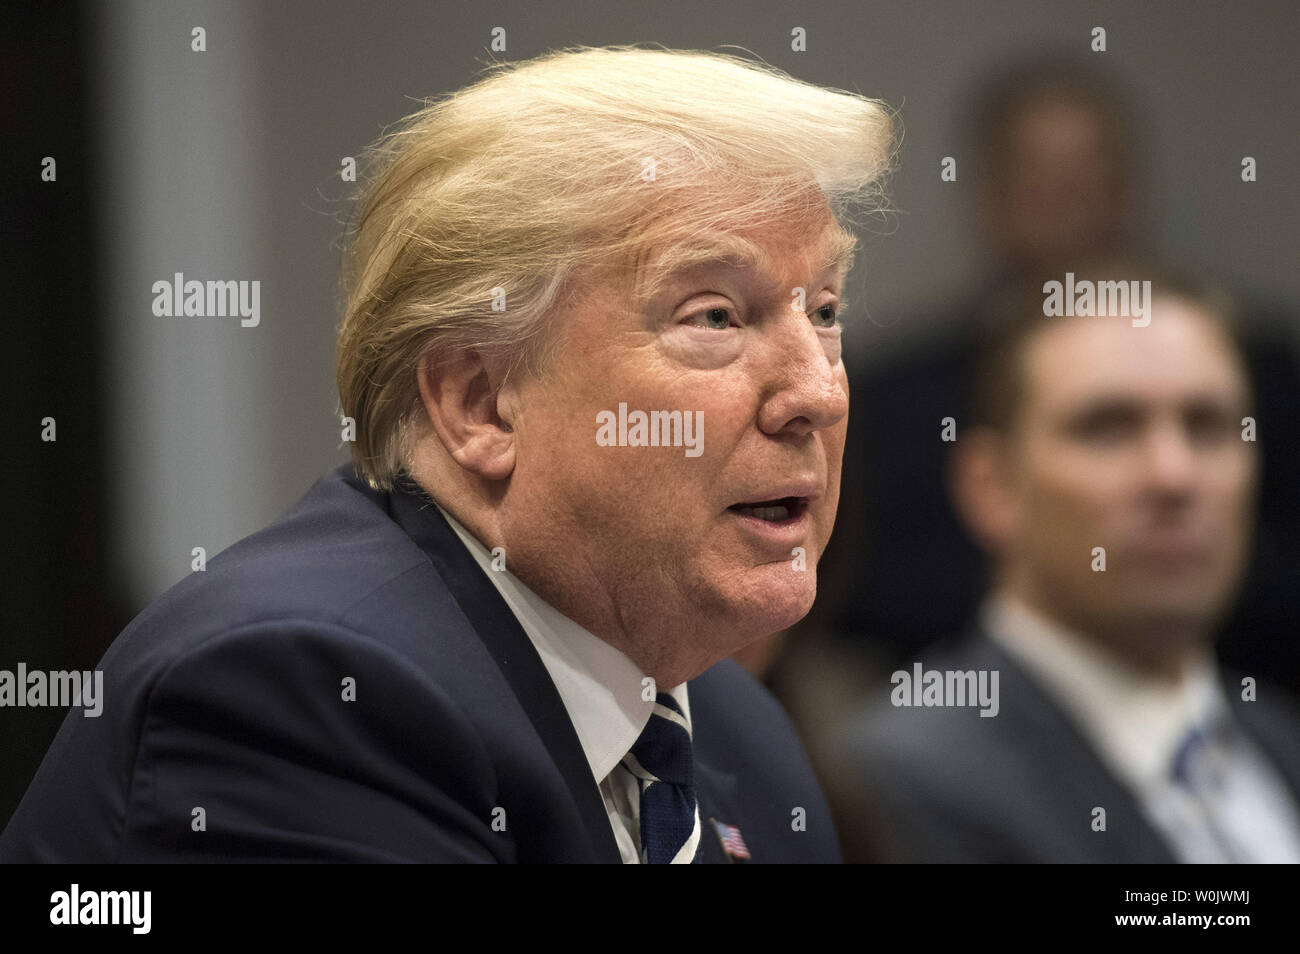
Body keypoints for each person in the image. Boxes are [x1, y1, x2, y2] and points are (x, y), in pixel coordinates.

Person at [0, 46, 897, 863]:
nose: (817, 392)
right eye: (715, 317)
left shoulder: (741, 738)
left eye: (824, 310)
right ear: (480, 404)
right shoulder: (302, 698)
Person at [836, 262, 1300, 863]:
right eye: (1108, 427)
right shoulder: (899, 779)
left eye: (1209, 426)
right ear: (992, 486)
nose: (1174, 476)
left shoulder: (1278, 740)